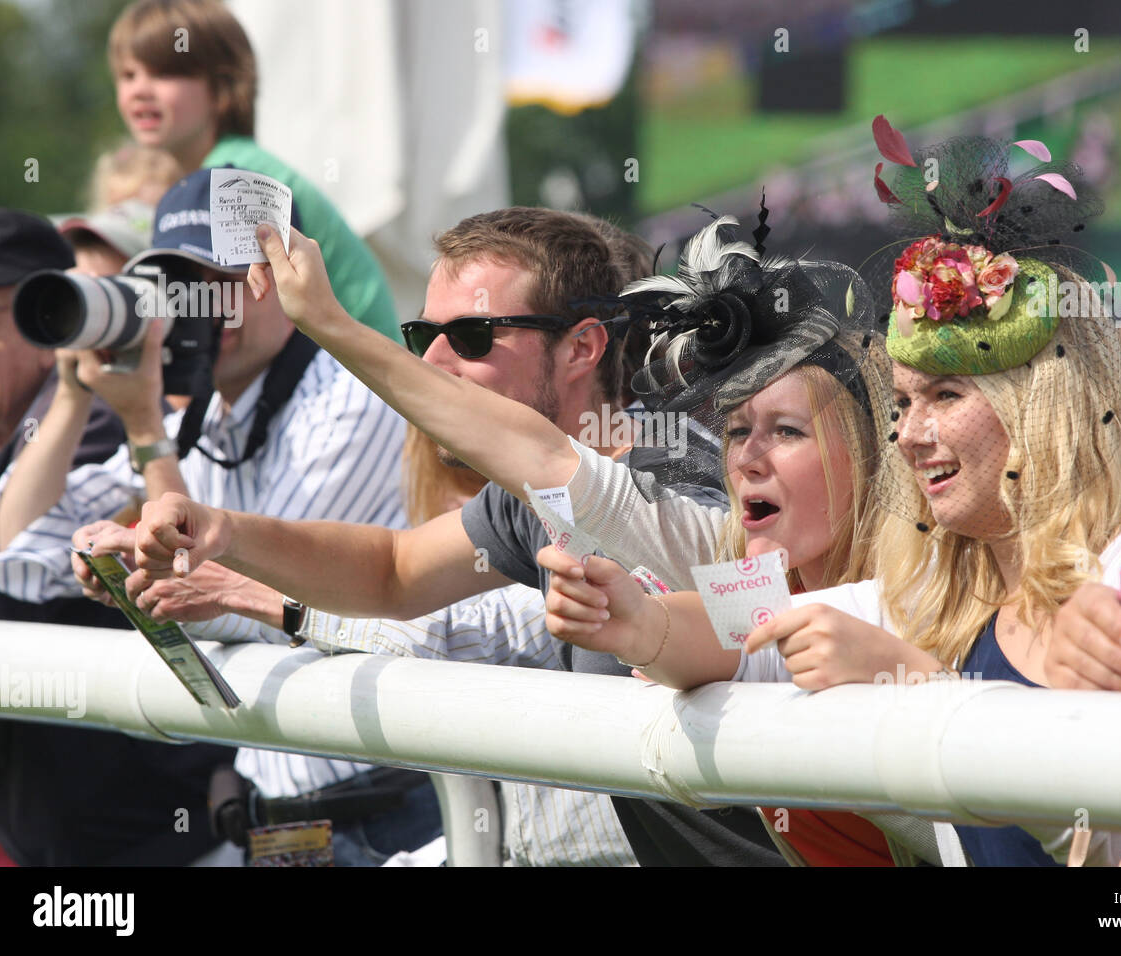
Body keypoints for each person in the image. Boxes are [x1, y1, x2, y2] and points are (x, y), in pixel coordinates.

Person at [545, 126, 1121, 866]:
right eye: (904, 402)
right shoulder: (943, 586)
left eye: (947, 395)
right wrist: (633, 620)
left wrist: (923, 689)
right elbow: (745, 633)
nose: (909, 435)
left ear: (1043, 402)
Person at [131, 206, 791, 865]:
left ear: (583, 348)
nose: (438, 360)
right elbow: (390, 572)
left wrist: (327, 324)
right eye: (424, 335)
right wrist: (222, 533)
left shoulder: (683, 477)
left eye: (472, 336)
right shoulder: (535, 495)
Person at [0, 174, 436, 866]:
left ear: (285, 279)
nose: (208, 306)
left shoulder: (351, 403)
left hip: (386, 815)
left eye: (230, 277)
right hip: (277, 822)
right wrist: (76, 395)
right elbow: (16, 554)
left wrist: (145, 435)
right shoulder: (204, 418)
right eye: (182, 283)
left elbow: (223, 597)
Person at [0, 204, 231, 866]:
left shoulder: (97, 416)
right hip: (45, 834)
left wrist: (81, 395)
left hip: (149, 832)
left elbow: (14, 558)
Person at [108, 0, 400, 342]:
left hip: (351, 375)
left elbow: (245, 317)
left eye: (164, 73)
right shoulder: (227, 168)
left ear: (222, 89)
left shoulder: (236, 177)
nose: (140, 90)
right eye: (128, 75)